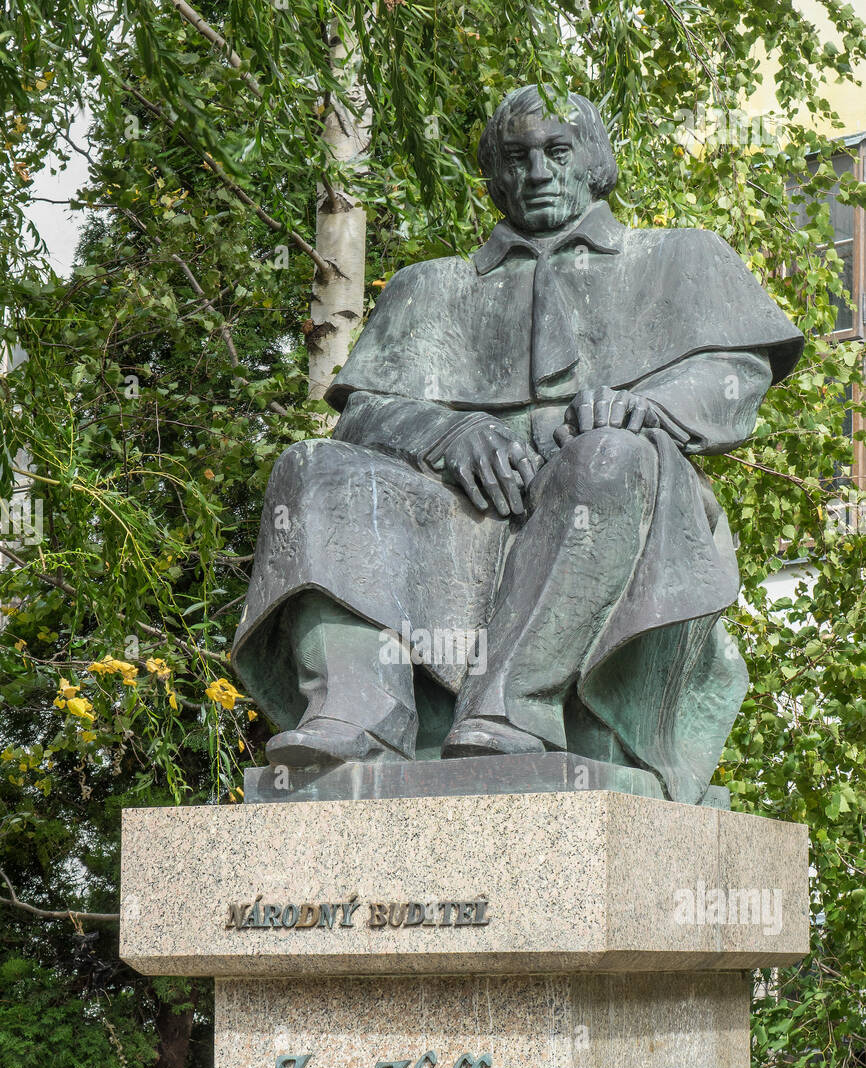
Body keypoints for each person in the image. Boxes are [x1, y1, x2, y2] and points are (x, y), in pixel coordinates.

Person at [231, 85, 803, 805]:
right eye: (517, 158)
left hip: (611, 499)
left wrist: (640, 406)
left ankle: (509, 711)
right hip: (462, 512)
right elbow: (364, 410)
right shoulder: (429, 288)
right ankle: (358, 713)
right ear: (496, 176)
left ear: (594, 163)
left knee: (609, 455)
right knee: (311, 466)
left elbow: (735, 375)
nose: (537, 173)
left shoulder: (680, 260)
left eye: (557, 152)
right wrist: (448, 431)